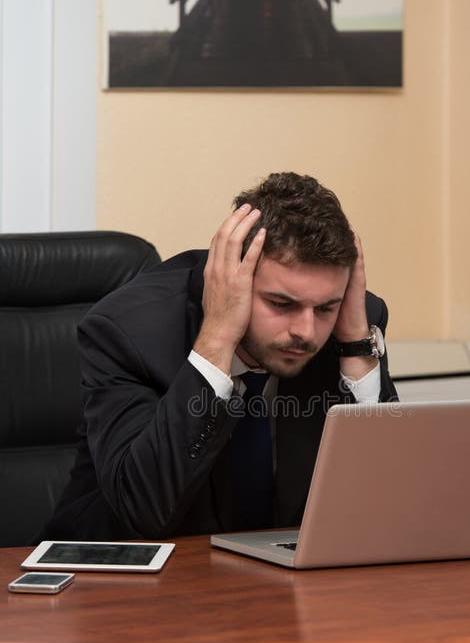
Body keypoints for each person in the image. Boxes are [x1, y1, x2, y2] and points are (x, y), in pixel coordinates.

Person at [43, 172, 398, 540]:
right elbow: (144, 511)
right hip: (120, 576)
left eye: (326, 307)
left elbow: (390, 502)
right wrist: (217, 337)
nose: (306, 332)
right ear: (234, 281)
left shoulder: (351, 326)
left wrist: (357, 346)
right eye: (281, 303)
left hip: (276, 576)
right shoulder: (126, 331)